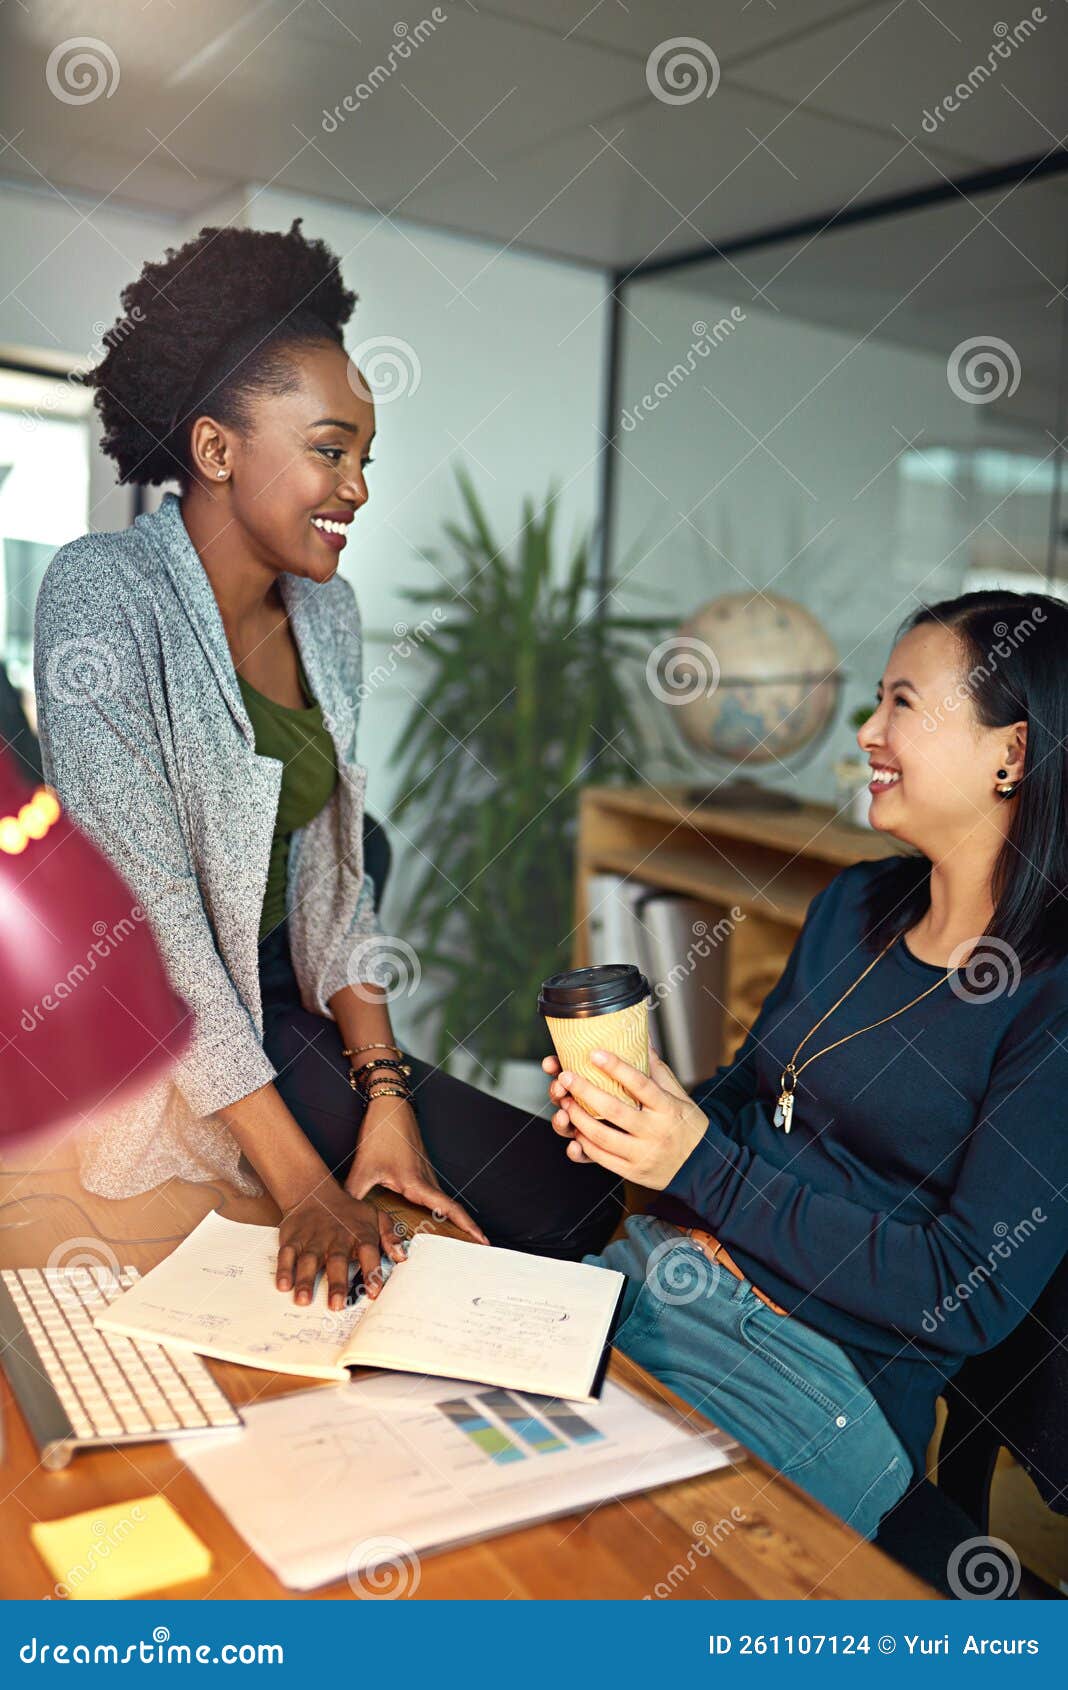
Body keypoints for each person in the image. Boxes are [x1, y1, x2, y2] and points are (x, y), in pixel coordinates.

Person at [33, 219, 622, 1309]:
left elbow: (339, 880)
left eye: (365, 458)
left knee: (570, 1202)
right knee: (369, 1251)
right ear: (216, 451)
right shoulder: (100, 592)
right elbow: (150, 929)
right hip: (152, 1014)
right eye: (329, 449)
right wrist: (308, 1184)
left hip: (280, 991)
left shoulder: (329, 612)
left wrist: (385, 1093)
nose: (356, 488)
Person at [547, 591, 1068, 1540]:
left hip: (812, 1382)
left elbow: (968, 1291)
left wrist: (699, 1163)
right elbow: (750, 1099)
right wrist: (643, 1115)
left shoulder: (1051, 999)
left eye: (903, 704)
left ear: (1013, 754)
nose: (868, 731)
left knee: (562, 1567)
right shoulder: (854, 906)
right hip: (649, 1278)